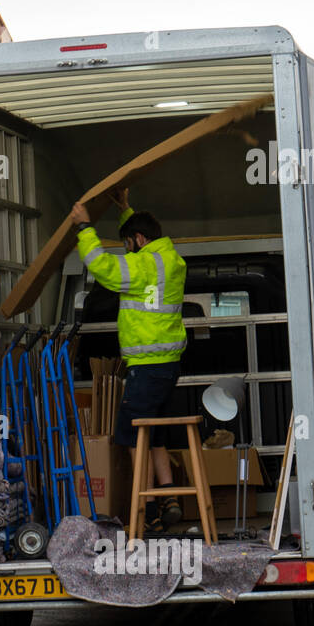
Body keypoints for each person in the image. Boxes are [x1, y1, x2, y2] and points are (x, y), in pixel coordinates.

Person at [69, 187, 188, 534]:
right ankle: (169, 498)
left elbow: (102, 268)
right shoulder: (170, 260)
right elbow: (139, 242)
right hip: (168, 366)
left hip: (146, 368)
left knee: (131, 435)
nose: (127, 251)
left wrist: (83, 228)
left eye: (128, 243)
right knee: (156, 434)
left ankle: (147, 510)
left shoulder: (141, 266)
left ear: (138, 240)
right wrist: (125, 211)